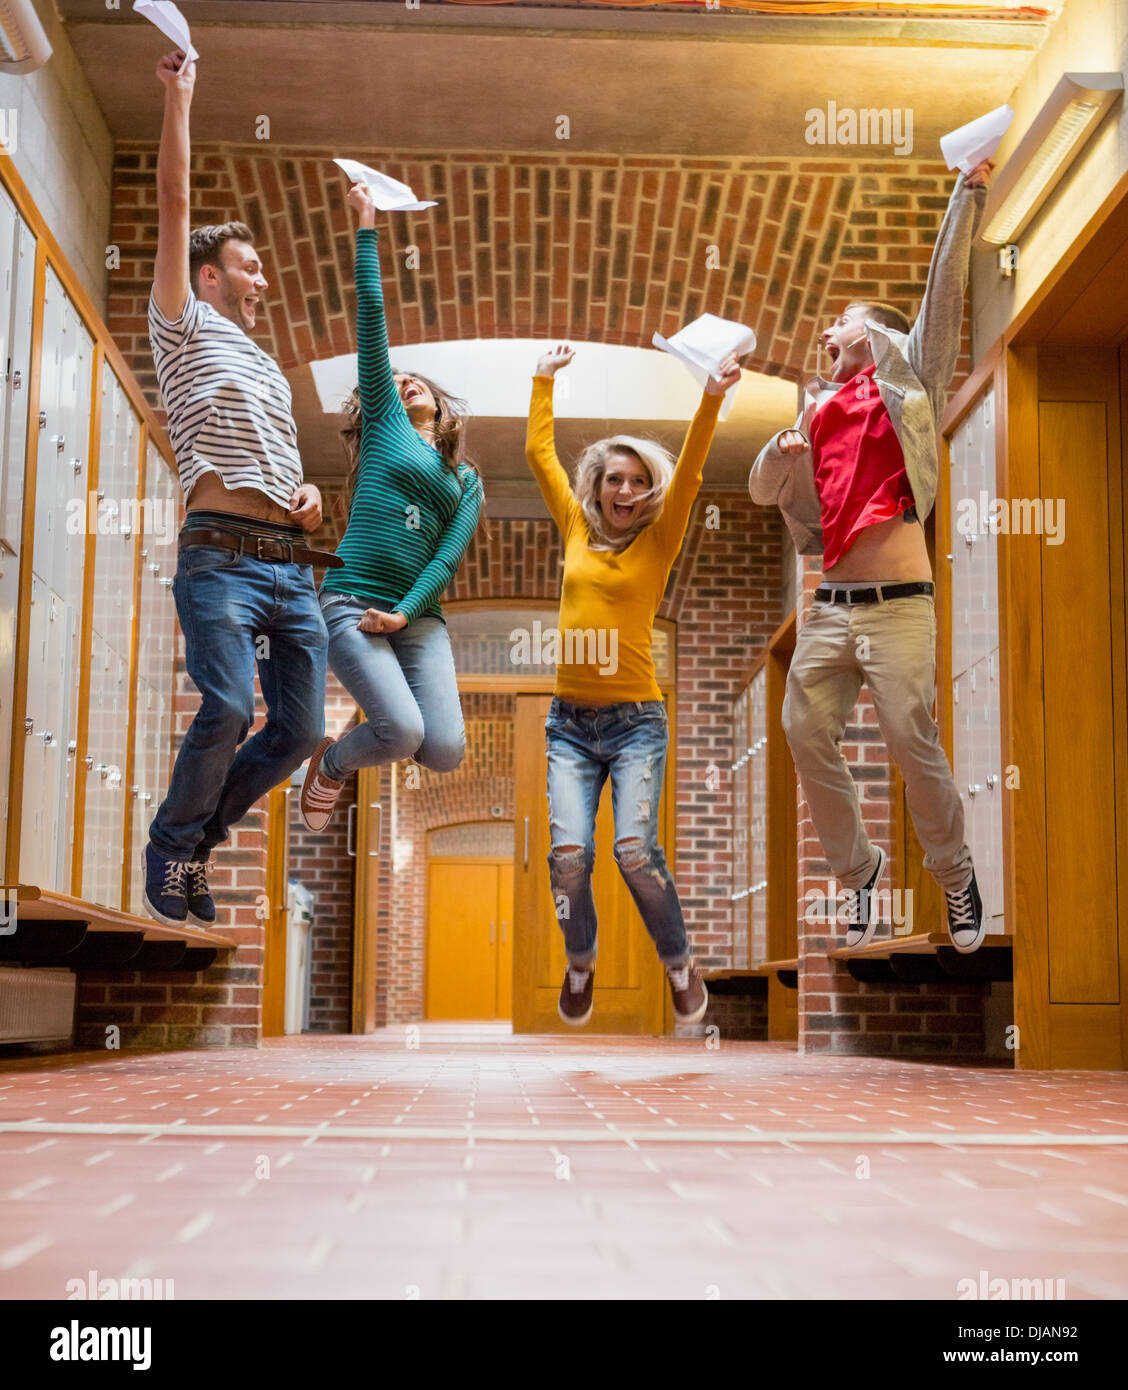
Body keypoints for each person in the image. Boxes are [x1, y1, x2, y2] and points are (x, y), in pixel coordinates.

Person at [749, 160, 994, 954]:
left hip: (898, 606)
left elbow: (942, 298)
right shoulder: (815, 408)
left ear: (876, 332)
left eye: (838, 322)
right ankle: (861, 880)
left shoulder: (909, 382)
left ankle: (955, 872)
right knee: (802, 732)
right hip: (829, 607)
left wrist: (970, 190)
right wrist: (781, 450)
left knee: (908, 734)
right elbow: (761, 492)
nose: (824, 334)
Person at [143, 50, 335, 930]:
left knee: (297, 731)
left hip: (290, 565)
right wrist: (181, 98)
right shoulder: (183, 328)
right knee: (226, 703)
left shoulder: (263, 364)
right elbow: (176, 204)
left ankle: (198, 837)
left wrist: (308, 498)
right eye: (248, 268)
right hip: (218, 559)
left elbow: (282, 461)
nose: (263, 280)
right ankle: (172, 846)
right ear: (209, 276)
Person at [526, 342, 741, 1026]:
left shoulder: (661, 539)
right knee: (568, 856)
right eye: (614, 479)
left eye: (637, 482)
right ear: (599, 486)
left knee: (633, 851)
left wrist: (711, 394)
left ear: (649, 492)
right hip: (568, 726)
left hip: (637, 723)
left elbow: (694, 468)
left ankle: (678, 963)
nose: (625, 491)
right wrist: (541, 381)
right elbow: (539, 457)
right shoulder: (573, 529)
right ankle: (581, 962)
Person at [299, 180, 483, 831]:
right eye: (397, 379)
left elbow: (446, 555)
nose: (405, 380)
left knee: (444, 749)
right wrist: (368, 226)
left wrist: (404, 615)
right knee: (402, 731)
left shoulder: (467, 477)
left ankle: (361, 738)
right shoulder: (384, 424)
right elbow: (372, 320)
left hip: (417, 618)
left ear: (438, 400)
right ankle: (332, 764)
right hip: (351, 599)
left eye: (417, 380)